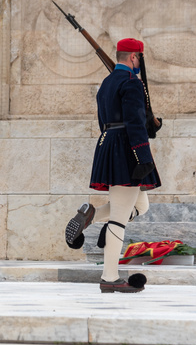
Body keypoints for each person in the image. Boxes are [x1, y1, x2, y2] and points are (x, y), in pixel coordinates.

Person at [64, 37, 160, 293]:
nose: (140, 63)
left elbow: (107, 119)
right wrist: (143, 158)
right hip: (127, 149)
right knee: (119, 218)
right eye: (139, 58)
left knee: (141, 205)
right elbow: (134, 123)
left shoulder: (107, 83)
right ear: (133, 57)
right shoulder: (131, 83)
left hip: (109, 143)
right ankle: (110, 278)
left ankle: (92, 216)